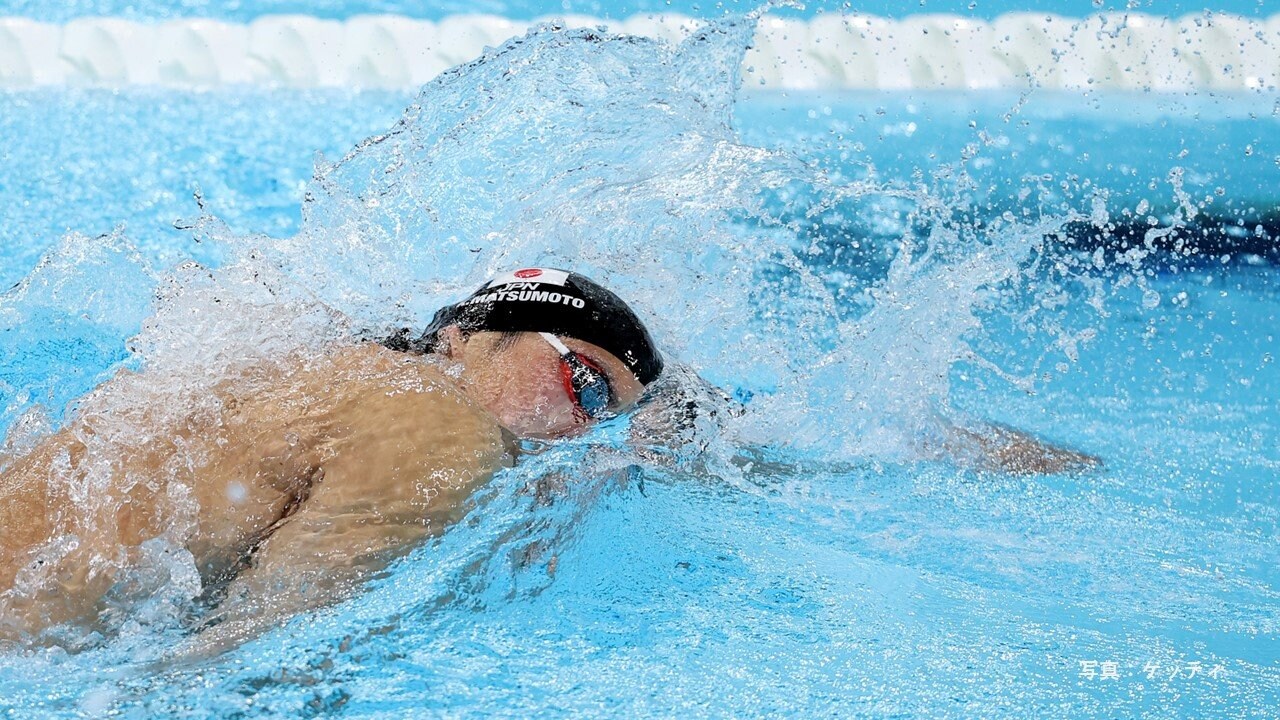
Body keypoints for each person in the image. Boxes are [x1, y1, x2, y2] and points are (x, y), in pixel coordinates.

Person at [0, 266, 1095, 650]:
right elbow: (257, 653)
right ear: (470, 335)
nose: (579, 423)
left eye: (603, 411)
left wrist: (913, 453)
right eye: (578, 382)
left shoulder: (308, 366)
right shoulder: (436, 429)